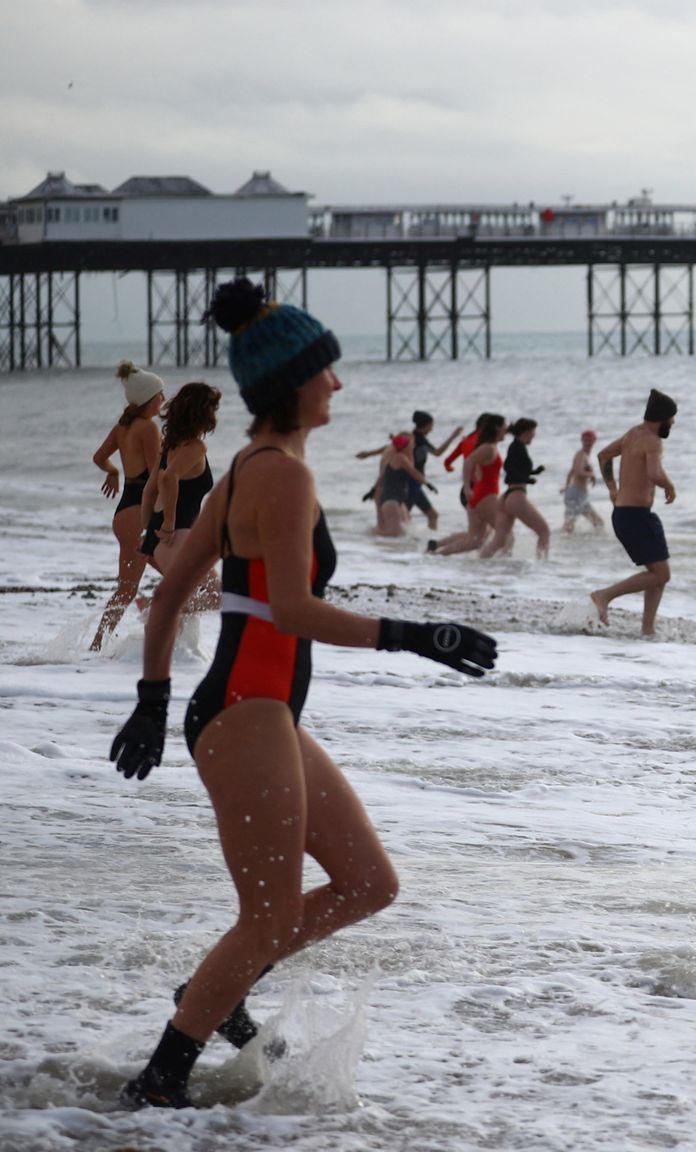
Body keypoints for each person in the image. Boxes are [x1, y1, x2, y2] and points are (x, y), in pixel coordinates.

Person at [105, 277, 496, 1109]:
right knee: (270, 914)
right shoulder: (278, 475)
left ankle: (222, 984)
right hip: (246, 710)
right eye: (328, 372)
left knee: (368, 883)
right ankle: (161, 1081)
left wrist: (154, 697)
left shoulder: (252, 465)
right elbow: (289, 609)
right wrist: (417, 635)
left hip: (256, 711)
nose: (339, 385)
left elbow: (172, 588)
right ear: (294, 383)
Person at [89, 362, 165, 650]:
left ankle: (157, 629)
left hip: (125, 511)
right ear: (148, 398)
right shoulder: (148, 428)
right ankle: (97, 646)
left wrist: (113, 471)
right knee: (128, 589)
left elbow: (99, 457)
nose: (164, 400)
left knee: (170, 576)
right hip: (139, 516)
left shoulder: (123, 427)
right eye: (160, 394)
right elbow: (156, 475)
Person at [590, 390, 678, 636]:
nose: (673, 423)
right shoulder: (652, 440)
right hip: (636, 516)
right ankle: (604, 596)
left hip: (626, 515)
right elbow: (654, 473)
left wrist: (612, 487)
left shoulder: (632, 434)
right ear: (661, 417)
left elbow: (603, 454)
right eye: (671, 418)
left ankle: (647, 630)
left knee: (657, 574)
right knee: (661, 574)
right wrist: (669, 485)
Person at [137, 383, 223, 627]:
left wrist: (147, 534)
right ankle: (154, 609)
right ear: (203, 413)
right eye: (213, 409)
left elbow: (149, 490)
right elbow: (168, 478)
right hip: (177, 536)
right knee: (217, 597)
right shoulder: (195, 447)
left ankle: (171, 656)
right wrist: (169, 524)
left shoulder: (170, 446)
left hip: (160, 539)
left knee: (187, 608)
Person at [427, 415, 505, 556]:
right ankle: (492, 563)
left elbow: (448, 461)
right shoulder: (486, 446)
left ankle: (436, 549)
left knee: (475, 538)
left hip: (472, 489)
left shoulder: (468, 441)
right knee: (497, 534)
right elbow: (469, 461)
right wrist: (469, 485)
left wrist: (452, 470)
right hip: (479, 491)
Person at [482, 417, 549, 560]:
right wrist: (527, 479)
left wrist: (534, 472)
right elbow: (509, 467)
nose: (534, 435)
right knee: (544, 532)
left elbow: (516, 469)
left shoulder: (516, 446)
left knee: (499, 541)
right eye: (533, 431)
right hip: (516, 496)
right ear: (526, 432)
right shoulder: (517, 447)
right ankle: (543, 567)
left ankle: (480, 565)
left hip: (507, 496)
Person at [373, 433, 428, 537]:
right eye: (412, 442)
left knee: (404, 527)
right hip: (385, 493)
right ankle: (368, 537)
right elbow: (412, 471)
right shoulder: (397, 456)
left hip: (394, 494)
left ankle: (390, 547)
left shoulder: (397, 453)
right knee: (389, 529)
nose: (414, 444)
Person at [561, 429, 603, 534]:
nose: (588, 443)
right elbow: (578, 471)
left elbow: (571, 473)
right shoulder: (581, 455)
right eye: (585, 440)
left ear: (594, 441)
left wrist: (567, 487)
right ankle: (563, 547)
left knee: (597, 523)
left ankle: (570, 546)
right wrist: (592, 475)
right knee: (569, 527)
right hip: (576, 494)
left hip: (577, 493)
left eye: (590, 440)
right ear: (582, 441)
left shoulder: (584, 455)